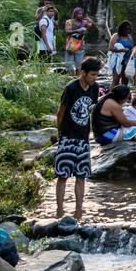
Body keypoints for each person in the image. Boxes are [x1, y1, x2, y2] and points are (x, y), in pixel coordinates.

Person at [54, 57, 102, 214]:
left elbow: (91, 110)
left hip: (83, 138)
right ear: (83, 72)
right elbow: (61, 113)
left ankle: (79, 210)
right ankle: (60, 209)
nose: (95, 78)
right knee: (63, 175)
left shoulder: (94, 89)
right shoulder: (71, 88)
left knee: (81, 175)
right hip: (68, 136)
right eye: (92, 75)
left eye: (96, 75)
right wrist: (60, 133)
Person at [63, 7, 95, 72]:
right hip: (71, 44)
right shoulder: (69, 22)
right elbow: (67, 32)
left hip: (80, 45)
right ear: (75, 14)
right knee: (69, 64)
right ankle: (70, 77)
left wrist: (89, 19)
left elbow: (93, 27)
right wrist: (77, 30)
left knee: (79, 64)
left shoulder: (84, 22)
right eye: (79, 14)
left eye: (81, 14)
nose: (80, 15)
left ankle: (78, 78)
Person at [106, 21, 133, 87]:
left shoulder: (129, 37)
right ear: (122, 29)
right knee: (116, 79)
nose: (128, 31)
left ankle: (123, 95)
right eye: (126, 29)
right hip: (117, 60)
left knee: (125, 79)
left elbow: (132, 47)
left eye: (129, 29)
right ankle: (113, 94)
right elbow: (110, 48)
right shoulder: (116, 36)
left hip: (126, 60)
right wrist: (121, 50)